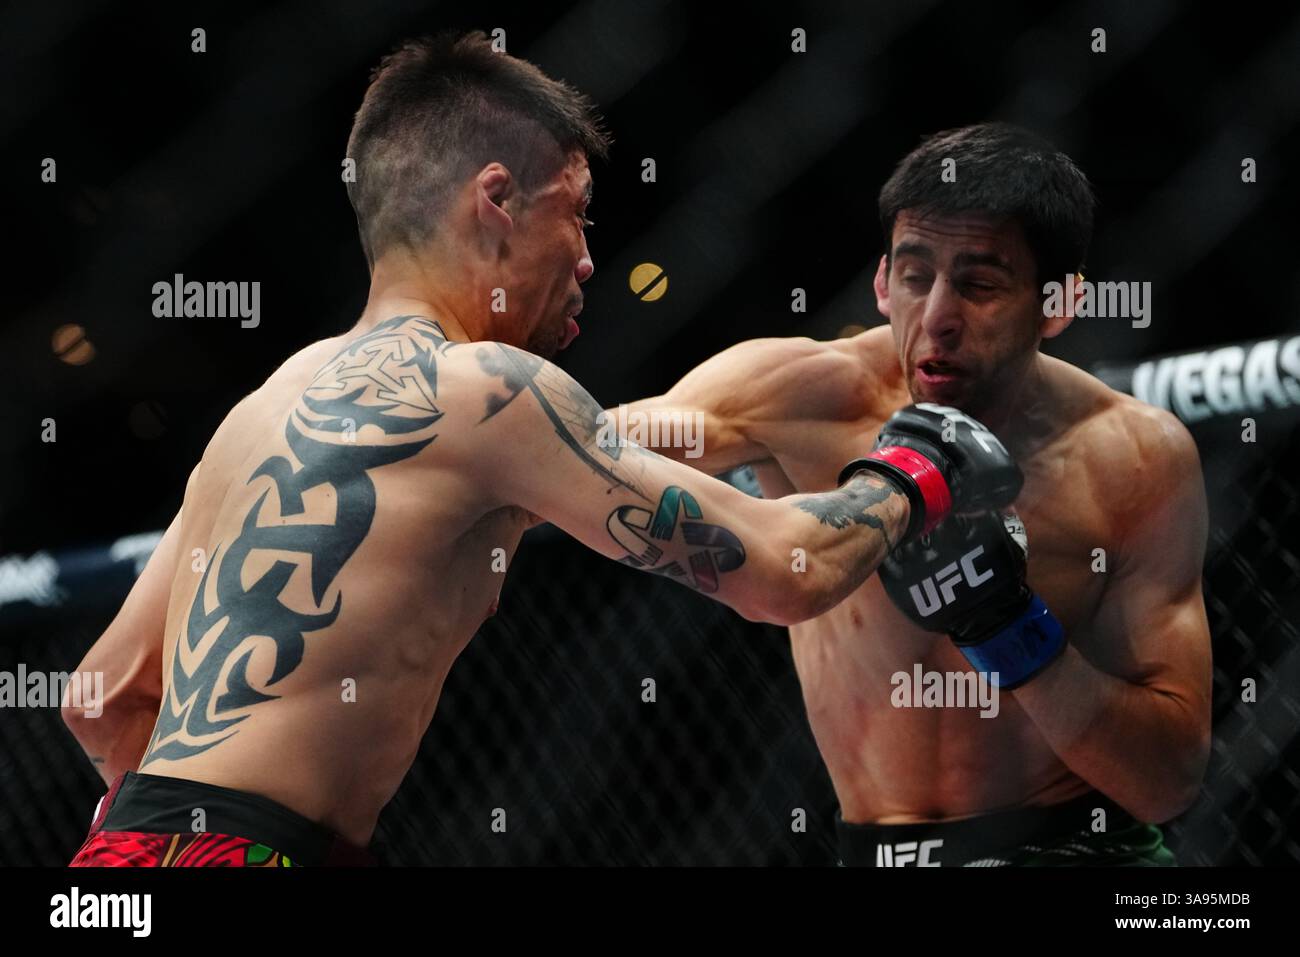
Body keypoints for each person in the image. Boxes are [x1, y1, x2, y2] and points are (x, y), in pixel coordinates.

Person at [62, 34, 1017, 867]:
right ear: (496, 200)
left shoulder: (257, 412)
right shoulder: (491, 391)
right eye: (578, 211)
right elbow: (780, 569)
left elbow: (101, 698)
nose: (591, 256)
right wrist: (918, 474)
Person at [621, 123, 1212, 866]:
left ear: (1058, 303)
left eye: (980, 283)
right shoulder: (800, 395)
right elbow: (586, 451)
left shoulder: (1133, 458)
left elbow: (1169, 783)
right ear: (880, 284)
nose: (937, 316)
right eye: (914, 275)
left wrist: (1007, 625)